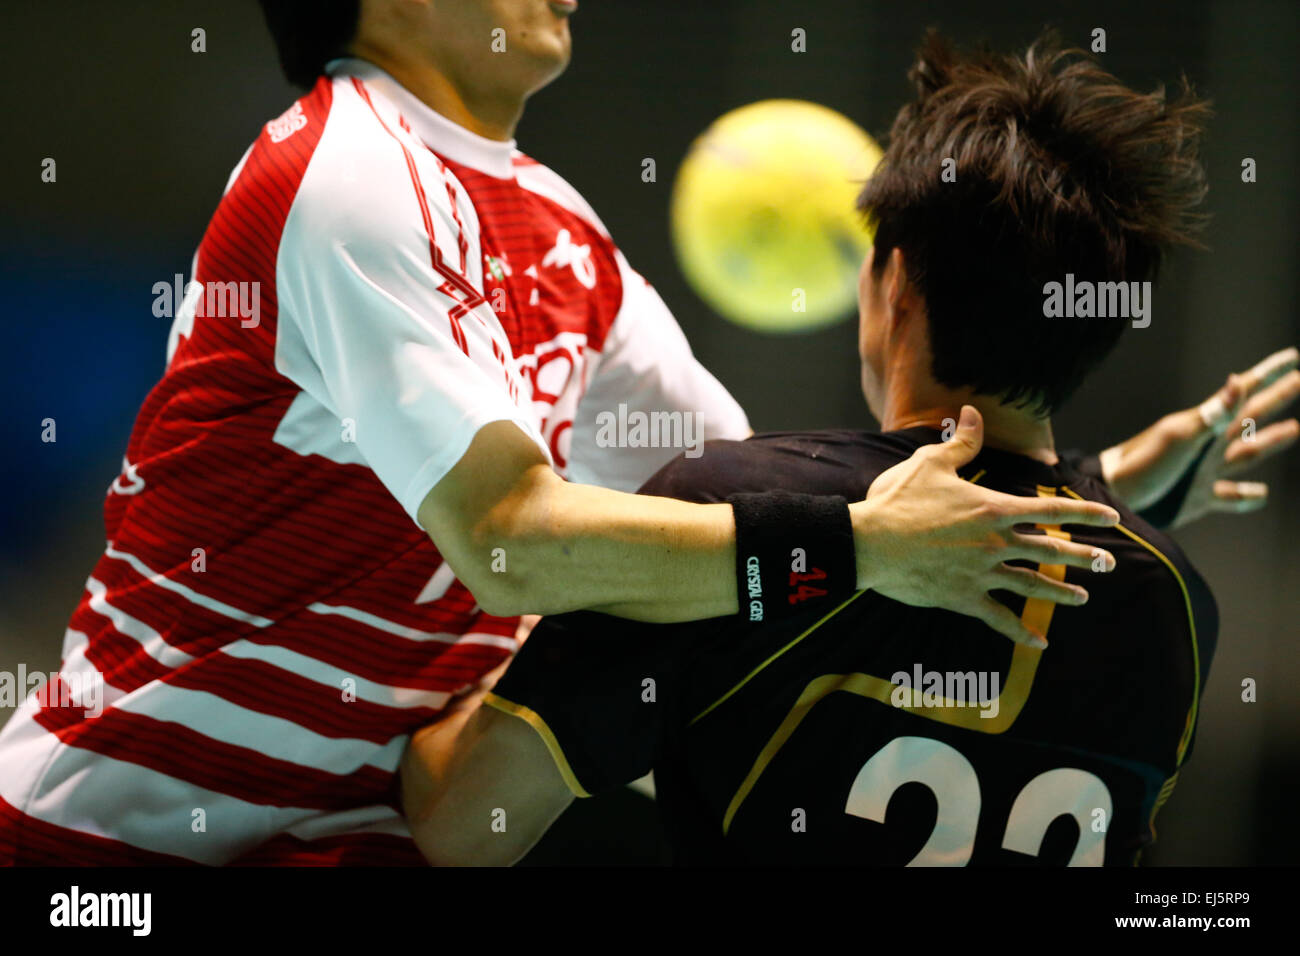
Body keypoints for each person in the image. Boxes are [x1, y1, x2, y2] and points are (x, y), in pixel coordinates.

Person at [399, 33, 1300, 866]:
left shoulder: (728, 506)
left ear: (893, 277)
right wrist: (1108, 495)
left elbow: (459, 825)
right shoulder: (1172, 604)